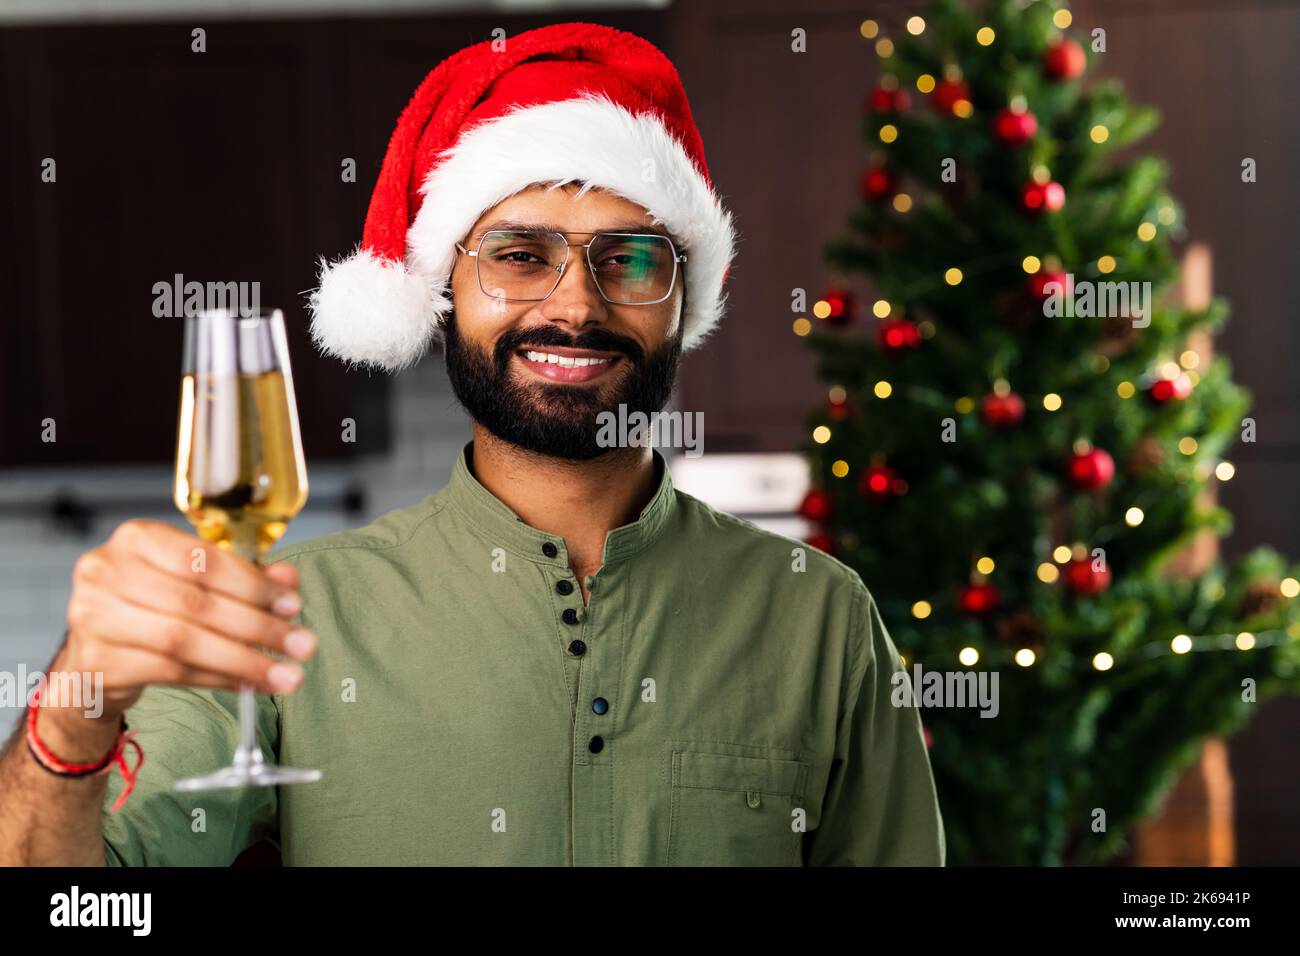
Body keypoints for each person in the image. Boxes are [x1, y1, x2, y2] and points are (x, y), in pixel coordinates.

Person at [0, 21, 944, 866]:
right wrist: (77, 705)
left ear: (681, 299)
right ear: (443, 286)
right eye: (520, 254)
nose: (575, 304)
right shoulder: (283, 620)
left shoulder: (821, 620)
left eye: (630, 258)